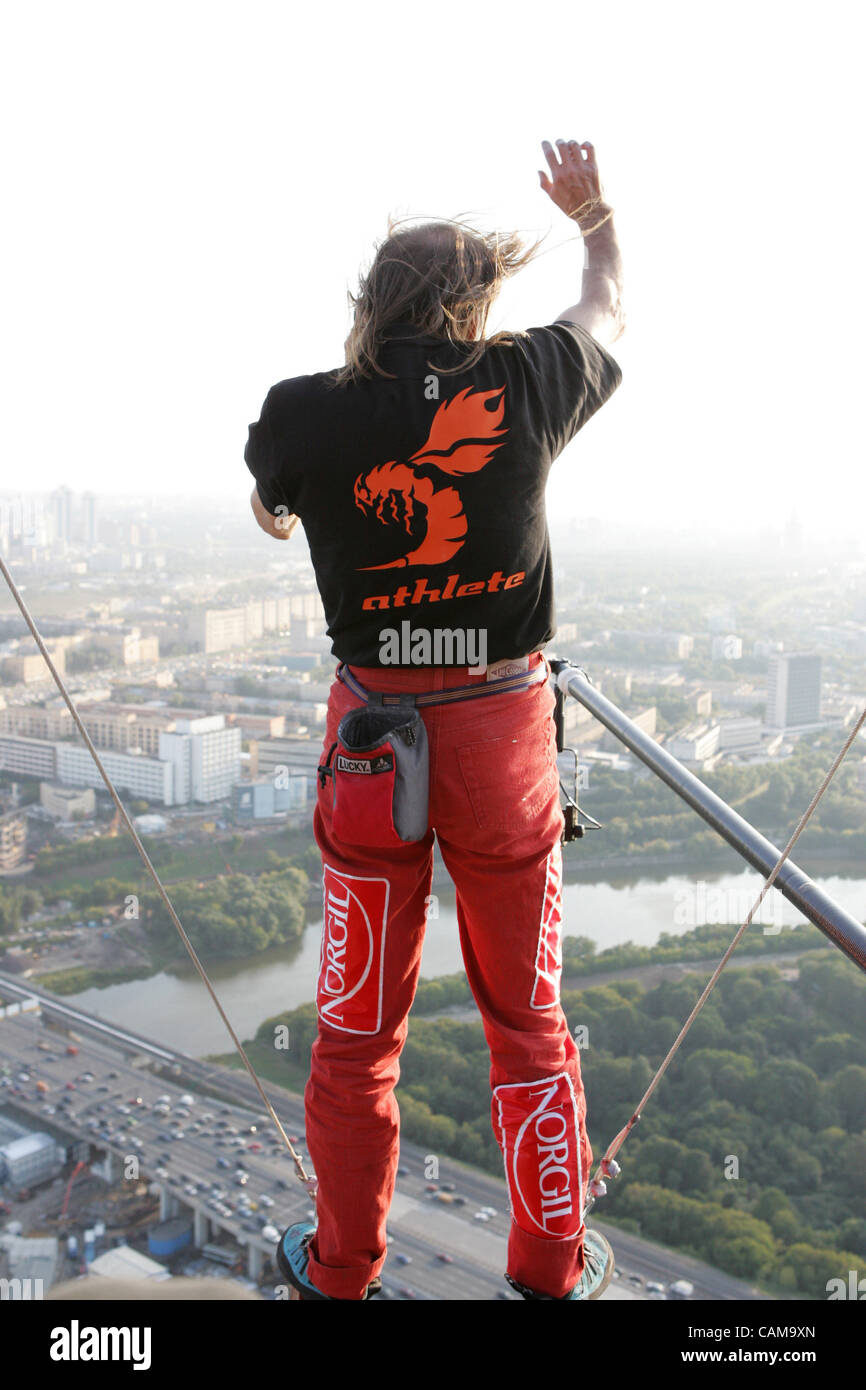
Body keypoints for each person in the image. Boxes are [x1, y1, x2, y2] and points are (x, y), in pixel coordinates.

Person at [244, 138, 624, 1301]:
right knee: (528, 1022)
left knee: (357, 1033)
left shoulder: (302, 411)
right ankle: (550, 1272)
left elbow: (269, 510)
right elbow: (605, 303)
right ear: (476, 305)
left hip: (371, 747)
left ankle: (342, 1270)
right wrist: (596, 218)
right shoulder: (524, 382)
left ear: (371, 303)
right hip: (502, 745)